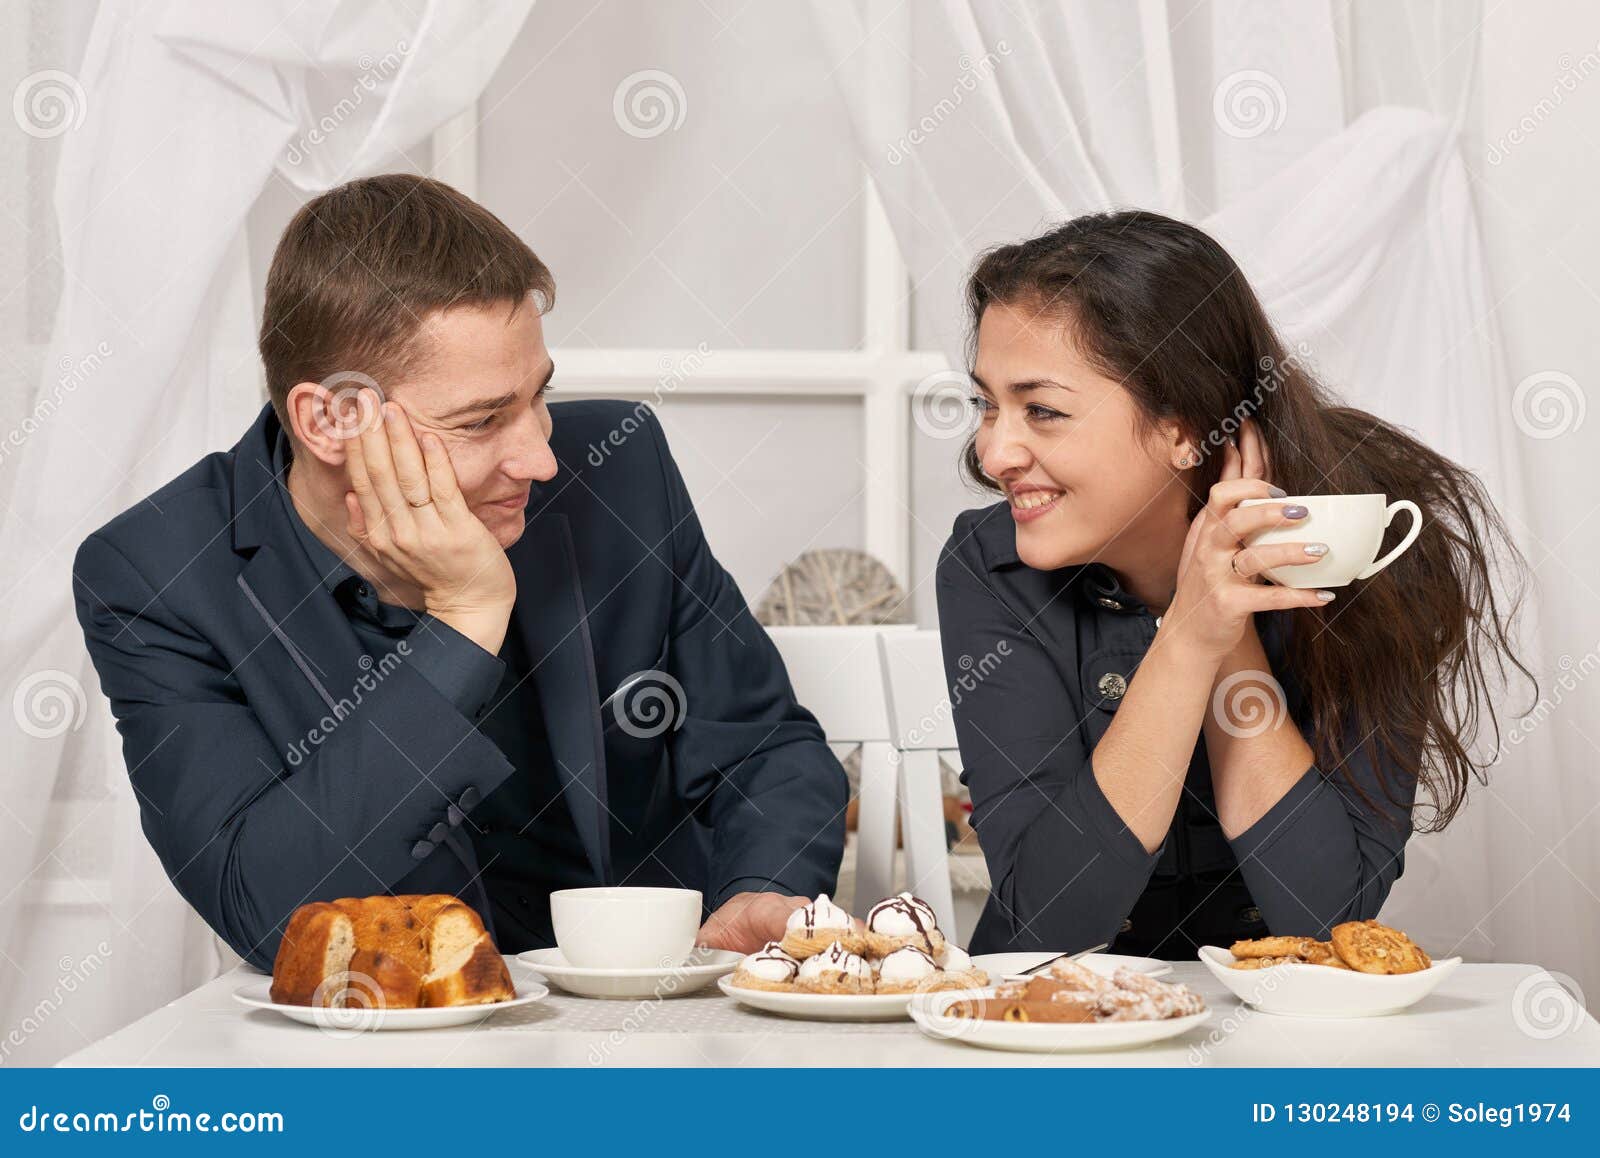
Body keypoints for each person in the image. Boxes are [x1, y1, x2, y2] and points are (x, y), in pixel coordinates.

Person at [72, 174, 846, 970]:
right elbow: (266, 913)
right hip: (392, 1027)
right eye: (481, 421)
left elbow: (763, 749)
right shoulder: (158, 577)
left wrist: (759, 890)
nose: (539, 459)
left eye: (538, 396)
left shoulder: (617, 470)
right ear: (329, 420)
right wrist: (464, 620)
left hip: (643, 1012)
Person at [936, 211, 1533, 958]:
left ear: (1185, 428)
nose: (994, 453)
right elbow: (1049, 926)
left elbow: (1325, 919)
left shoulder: (1365, 546)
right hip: (1053, 1017)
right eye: (988, 405)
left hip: (1275, 1019)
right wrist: (1188, 638)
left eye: (1043, 411)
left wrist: (1228, 626)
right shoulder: (990, 567)